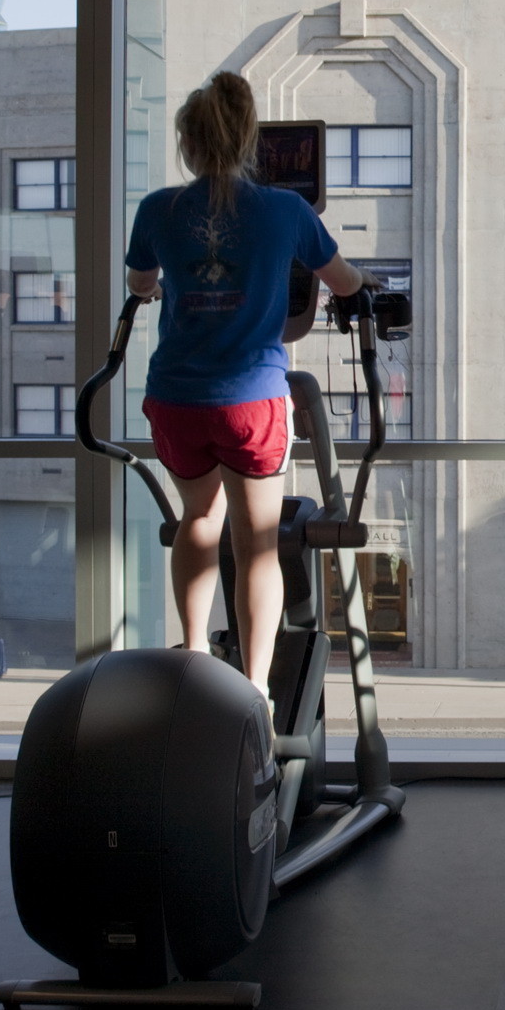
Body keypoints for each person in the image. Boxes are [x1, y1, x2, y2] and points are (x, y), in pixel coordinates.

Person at [124, 71, 379, 697]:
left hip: (176, 399)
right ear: (246, 142)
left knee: (198, 520)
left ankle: (188, 657)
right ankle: (254, 689)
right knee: (257, 542)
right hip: (250, 401)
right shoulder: (287, 209)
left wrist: (163, 287)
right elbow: (344, 282)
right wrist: (363, 277)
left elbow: (138, 284)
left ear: (188, 143)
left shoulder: (158, 208)